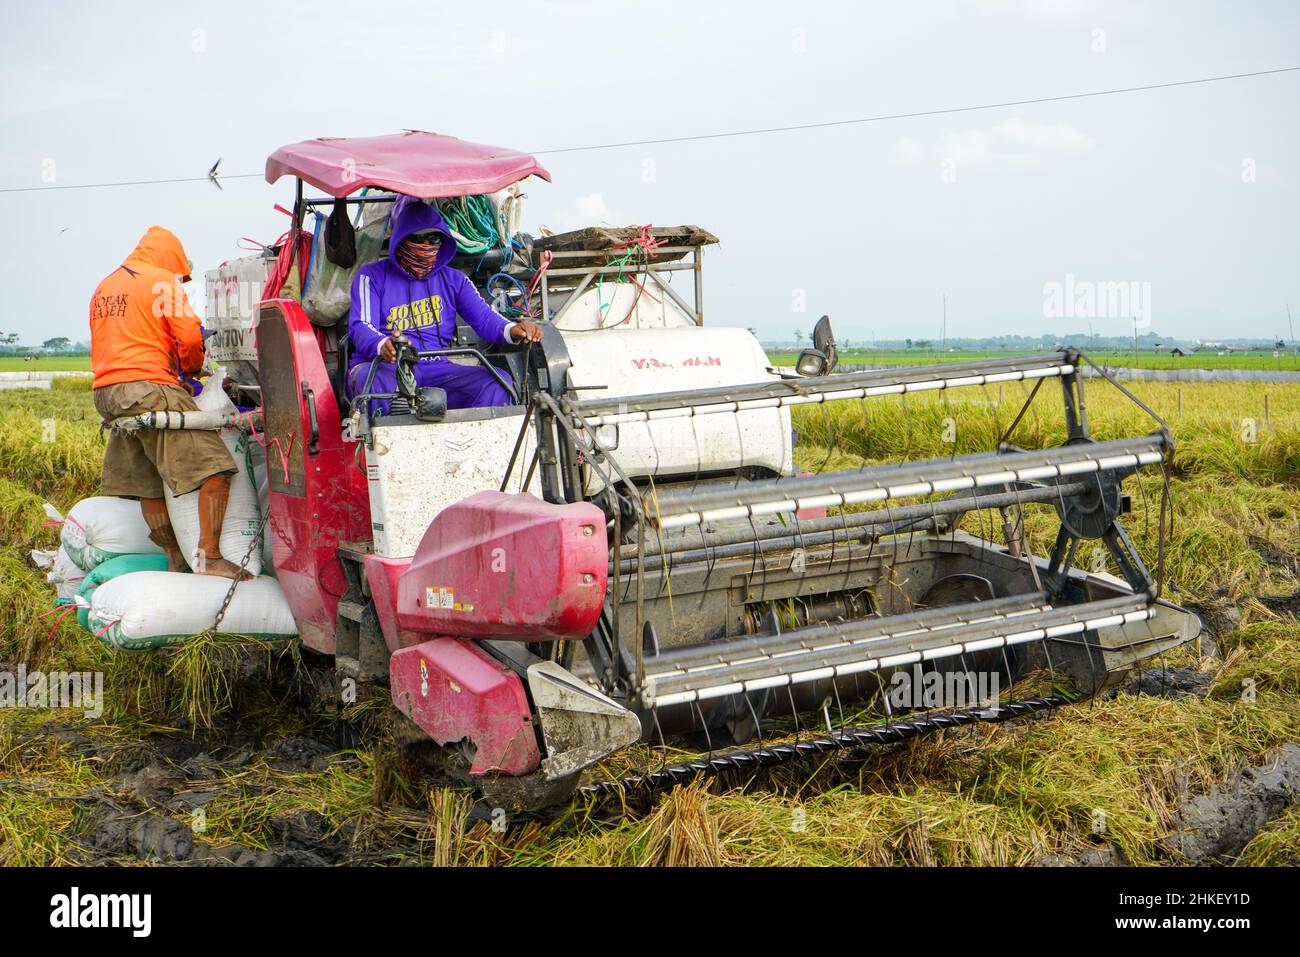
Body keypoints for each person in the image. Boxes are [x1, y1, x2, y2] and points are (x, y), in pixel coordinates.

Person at [89, 225, 250, 580]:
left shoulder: (106, 286)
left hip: (109, 394)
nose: (180, 279)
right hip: (148, 389)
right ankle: (210, 555)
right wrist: (191, 369)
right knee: (217, 467)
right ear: (172, 258)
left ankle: (175, 556)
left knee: (146, 481)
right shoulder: (161, 280)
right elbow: (190, 335)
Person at [346, 199, 542, 411]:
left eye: (434, 238)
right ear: (401, 239)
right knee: (374, 383)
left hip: (437, 368)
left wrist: (513, 329)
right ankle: (382, 443)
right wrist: (383, 345)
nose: (427, 246)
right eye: (419, 238)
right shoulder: (371, 276)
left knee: (498, 382)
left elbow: (485, 318)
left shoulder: (455, 280)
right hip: (384, 367)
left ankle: (472, 442)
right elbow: (360, 326)